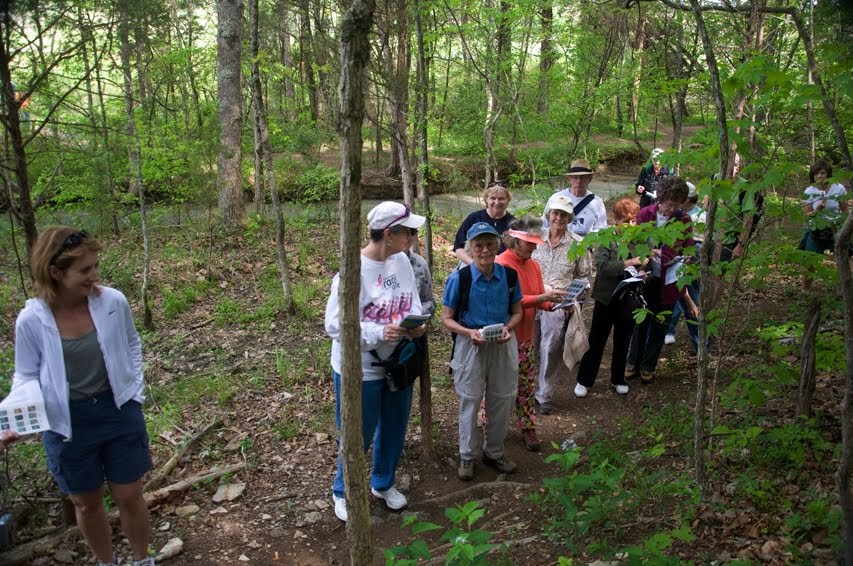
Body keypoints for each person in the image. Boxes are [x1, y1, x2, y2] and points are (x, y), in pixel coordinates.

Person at [0, 227, 155, 566]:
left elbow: (132, 344)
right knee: (87, 503)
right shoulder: (32, 320)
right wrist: (12, 419)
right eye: (85, 270)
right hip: (67, 423)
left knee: (129, 495)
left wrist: (134, 392)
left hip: (118, 410)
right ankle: (106, 562)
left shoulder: (112, 302)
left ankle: (143, 560)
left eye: (95, 266)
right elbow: (24, 375)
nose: (94, 276)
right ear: (56, 272)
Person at [324, 201, 428, 522]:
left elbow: (410, 299)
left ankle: (382, 482)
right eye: (408, 231)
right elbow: (335, 324)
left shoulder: (402, 262)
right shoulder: (351, 272)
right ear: (388, 233)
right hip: (361, 367)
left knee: (395, 426)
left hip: (398, 360)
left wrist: (415, 325)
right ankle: (343, 491)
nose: (412, 236)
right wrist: (381, 331)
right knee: (358, 433)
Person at [442, 222, 522, 481]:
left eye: (489, 244)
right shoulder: (460, 278)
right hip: (471, 345)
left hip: (502, 342)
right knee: (470, 400)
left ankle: (494, 452)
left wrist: (509, 328)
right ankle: (467, 456)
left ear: (497, 246)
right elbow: (447, 318)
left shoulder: (508, 276)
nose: (485, 250)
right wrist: (468, 333)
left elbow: (517, 312)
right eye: (479, 245)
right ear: (470, 248)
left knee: (502, 398)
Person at [494, 216, 567, 451]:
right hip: (504, 337)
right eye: (530, 242)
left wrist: (554, 303)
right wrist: (543, 298)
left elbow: (536, 298)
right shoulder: (502, 265)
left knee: (526, 385)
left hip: (525, 337)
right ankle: (490, 426)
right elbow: (507, 302)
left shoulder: (533, 265)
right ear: (515, 241)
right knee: (498, 385)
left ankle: (528, 427)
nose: (535, 246)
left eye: (536, 241)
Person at [627, 177, 699, 383]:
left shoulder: (683, 220)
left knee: (660, 325)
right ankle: (633, 363)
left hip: (669, 282)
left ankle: (648, 367)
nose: (670, 209)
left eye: (676, 205)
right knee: (640, 323)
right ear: (660, 199)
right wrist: (648, 252)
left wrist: (683, 259)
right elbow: (634, 243)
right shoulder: (645, 214)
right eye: (668, 204)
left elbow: (689, 249)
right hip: (646, 278)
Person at [574, 199, 643, 397]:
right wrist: (630, 261)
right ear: (616, 220)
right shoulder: (606, 238)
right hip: (606, 297)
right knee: (596, 339)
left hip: (629, 298)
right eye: (626, 221)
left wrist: (643, 269)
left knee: (623, 340)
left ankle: (617, 379)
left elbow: (643, 264)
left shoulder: (640, 239)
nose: (630, 226)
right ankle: (584, 380)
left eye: (633, 221)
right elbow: (602, 266)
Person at [531, 194, 592, 414]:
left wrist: (573, 302)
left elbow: (584, 278)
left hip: (558, 304)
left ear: (569, 218)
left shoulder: (577, 243)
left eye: (564, 215)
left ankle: (544, 394)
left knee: (550, 349)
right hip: (531, 300)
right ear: (549, 215)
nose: (558, 218)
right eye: (555, 213)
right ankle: (524, 391)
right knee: (527, 348)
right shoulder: (535, 238)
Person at [665, 182, 704, 348]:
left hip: (690, 260)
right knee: (676, 298)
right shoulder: (674, 215)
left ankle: (701, 344)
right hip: (673, 260)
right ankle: (670, 331)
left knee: (690, 299)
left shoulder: (699, 216)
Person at [453, 181, 516, 264]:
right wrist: (474, 265)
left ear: (508, 200)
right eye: (493, 198)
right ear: (486, 199)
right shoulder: (473, 218)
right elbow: (459, 247)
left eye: (501, 198)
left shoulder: (514, 224)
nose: (497, 202)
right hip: (473, 264)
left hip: (503, 267)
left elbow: (518, 252)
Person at [716, 154, 763, 263]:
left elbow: (748, 219)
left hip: (729, 241)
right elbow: (707, 207)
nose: (728, 168)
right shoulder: (714, 179)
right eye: (726, 164)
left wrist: (740, 245)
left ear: (738, 168)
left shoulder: (745, 187)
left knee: (717, 275)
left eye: (733, 165)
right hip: (710, 238)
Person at [544, 159, 608, 237]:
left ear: (589, 179)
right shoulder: (556, 198)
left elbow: (602, 231)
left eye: (583, 177)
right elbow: (544, 225)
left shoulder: (597, 203)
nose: (578, 181)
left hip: (584, 247)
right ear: (570, 179)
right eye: (575, 177)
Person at [799, 159, 849, 255]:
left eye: (823, 173)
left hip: (835, 228)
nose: (819, 176)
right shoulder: (809, 191)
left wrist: (844, 228)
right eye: (816, 173)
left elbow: (845, 211)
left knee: (842, 256)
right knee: (810, 258)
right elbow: (807, 215)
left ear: (828, 174)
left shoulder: (839, 188)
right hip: (816, 229)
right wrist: (817, 210)